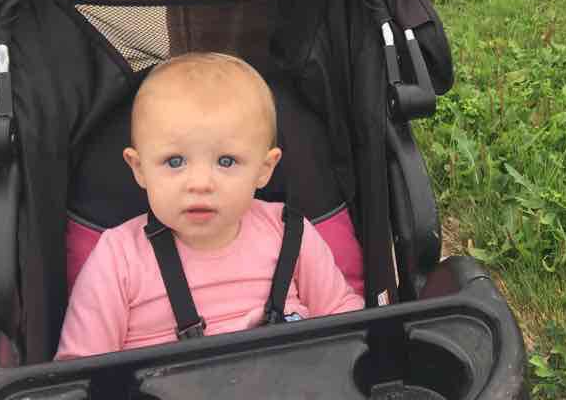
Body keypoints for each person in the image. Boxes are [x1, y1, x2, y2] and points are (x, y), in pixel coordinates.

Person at [56, 53, 363, 360]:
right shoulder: (118, 258)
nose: (200, 184)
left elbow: (346, 323)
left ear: (264, 169)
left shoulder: (291, 234)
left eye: (226, 161)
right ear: (139, 168)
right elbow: (82, 367)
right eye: (174, 161)